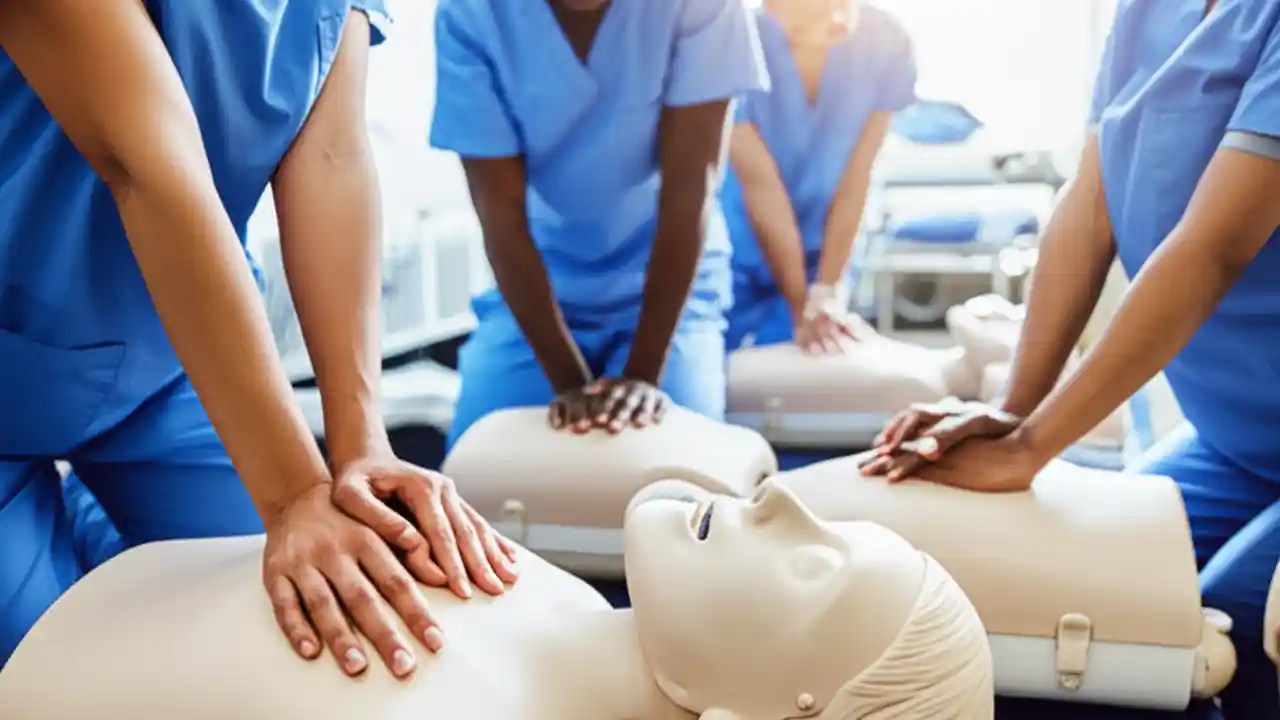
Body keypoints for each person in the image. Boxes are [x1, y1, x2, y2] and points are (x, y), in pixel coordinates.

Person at [0, 0, 515, 678]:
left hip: (164, 363)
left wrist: (360, 448)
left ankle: (86, 523)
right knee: (50, 669)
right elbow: (147, 164)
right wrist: (294, 494)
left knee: (301, 618)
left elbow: (331, 156)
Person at [861, 1, 1280, 717]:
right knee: (1087, 590)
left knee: (1222, 624)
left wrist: (1033, 446)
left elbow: (1214, 247)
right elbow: (1088, 209)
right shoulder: (1147, 12)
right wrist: (1011, 410)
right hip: (1234, 440)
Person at [0, 481, 994, 720]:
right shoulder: (552, 595)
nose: (780, 498)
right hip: (142, 567)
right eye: (828, 518)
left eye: (814, 567)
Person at [430, 0, 768, 444]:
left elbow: (690, 190)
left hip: (671, 287)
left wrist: (644, 376)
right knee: (476, 469)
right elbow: (499, 213)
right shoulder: (472, 14)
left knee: (680, 468)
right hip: (537, 288)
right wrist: (572, 388)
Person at [722, 0, 916, 354]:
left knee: (818, 352)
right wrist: (799, 304)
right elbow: (760, 186)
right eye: (808, 18)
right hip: (741, 250)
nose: (836, 22)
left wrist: (826, 290)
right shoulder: (732, 45)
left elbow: (857, 178)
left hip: (829, 245)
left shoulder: (885, 42)